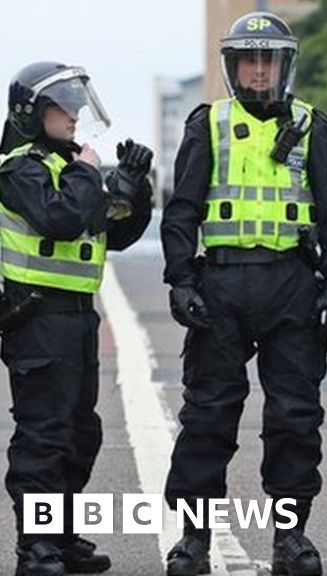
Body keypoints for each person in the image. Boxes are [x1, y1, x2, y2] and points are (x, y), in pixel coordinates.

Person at [160, 12, 327, 576]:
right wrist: (181, 279)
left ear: (285, 67)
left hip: (292, 284)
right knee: (208, 415)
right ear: (233, 67)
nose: (259, 71)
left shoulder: (314, 126)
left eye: (268, 61)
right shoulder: (209, 124)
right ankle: (194, 539)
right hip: (221, 284)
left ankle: (290, 537)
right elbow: (181, 210)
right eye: (249, 61)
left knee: (295, 417)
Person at [0, 61, 153, 575]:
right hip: (36, 316)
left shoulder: (71, 167)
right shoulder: (20, 168)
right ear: (33, 113)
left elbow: (116, 234)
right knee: (43, 436)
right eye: (64, 108)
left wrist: (134, 187)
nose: (75, 116)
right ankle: (34, 548)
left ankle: (60, 537)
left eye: (76, 107)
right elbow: (60, 218)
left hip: (79, 319)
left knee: (79, 434)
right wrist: (90, 172)